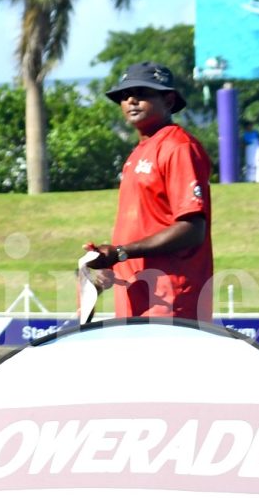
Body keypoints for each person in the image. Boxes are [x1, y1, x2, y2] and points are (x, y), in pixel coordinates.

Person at [84, 61, 214, 322]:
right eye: (124, 95)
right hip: (136, 289)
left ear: (168, 100)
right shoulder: (138, 152)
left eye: (143, 93)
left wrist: (121, 252)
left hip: (169, 294)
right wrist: (110, 262)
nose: (131, 99)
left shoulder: (179, 147)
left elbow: (192, 229)